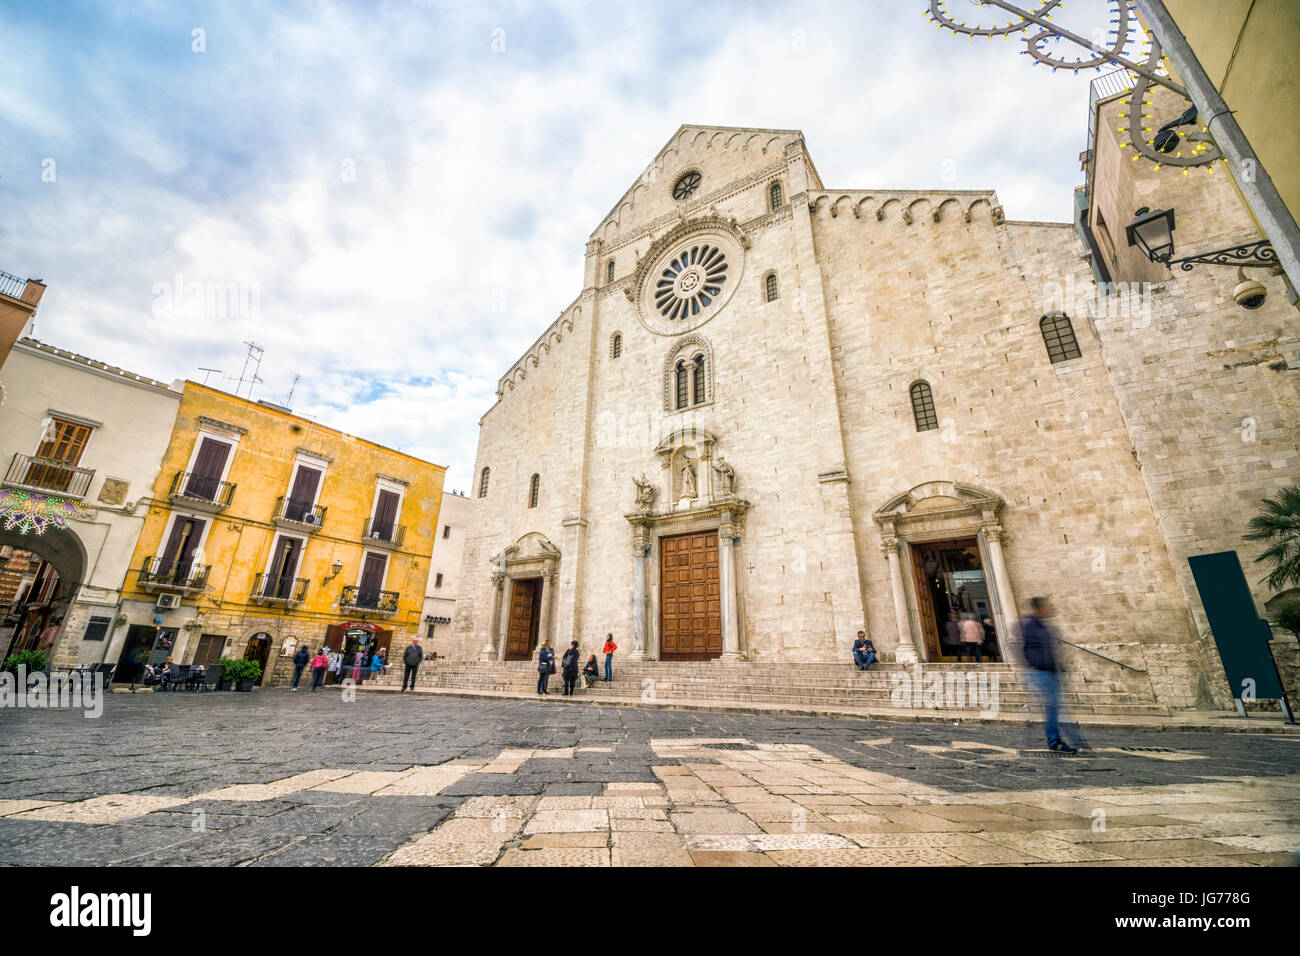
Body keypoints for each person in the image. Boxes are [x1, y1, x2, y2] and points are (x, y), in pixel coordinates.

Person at [1020, 597, 1087, 753]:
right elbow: (1026, 648)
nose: (1050, 608)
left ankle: (1067, 741)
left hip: (1049, 672)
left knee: (1056, 708)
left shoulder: (1042, 626)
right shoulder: (1030, 626)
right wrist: (1038, 665)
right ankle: (1062, 741)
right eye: (1047, 606)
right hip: (1041, 672)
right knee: (1055, 708)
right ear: (1039, 608)